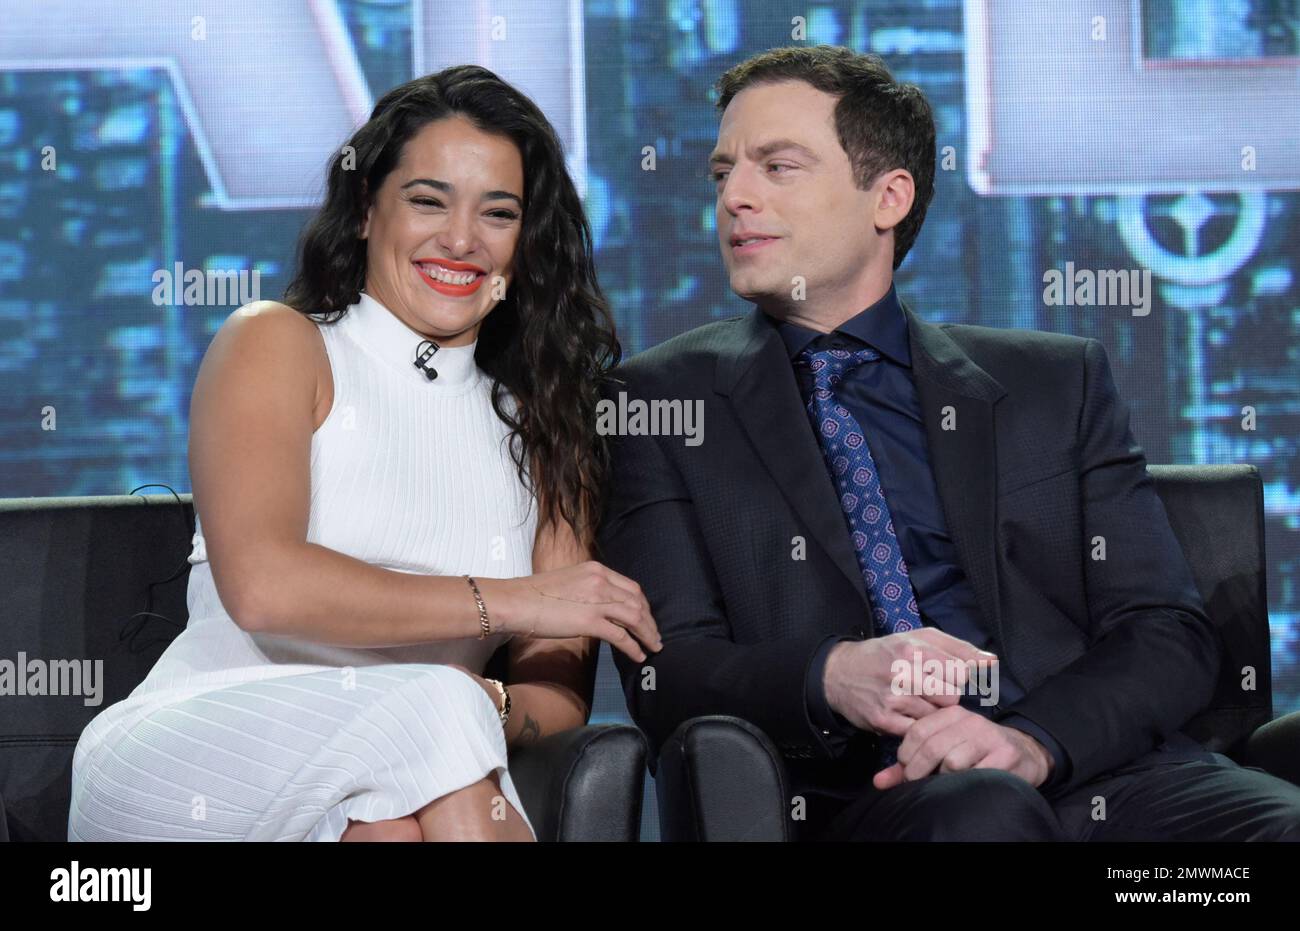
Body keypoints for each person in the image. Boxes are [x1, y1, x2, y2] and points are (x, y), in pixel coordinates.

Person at [598, 45, 1300, 841]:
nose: (735, 197)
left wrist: (1030, 742)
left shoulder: (1054, 382)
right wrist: (830, 674)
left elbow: (1165, 630)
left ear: (888, 197)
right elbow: (665, 673)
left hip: (1102, 773)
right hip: (873, 797)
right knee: (983, 818)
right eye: (722, 173)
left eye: (777, 166)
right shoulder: (660, 400)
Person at [68, 65, 660, 842]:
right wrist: (511, 603)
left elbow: (553, 705)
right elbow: (267, 590)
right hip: (194, 756)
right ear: (363, 213)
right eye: (427, 200)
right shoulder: (279, 343)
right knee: (437, 712)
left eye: (498, 213)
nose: (460, 239)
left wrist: (487, 702)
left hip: (409, 774)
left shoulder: (547, 426)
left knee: (386, 823)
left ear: (526, 243)